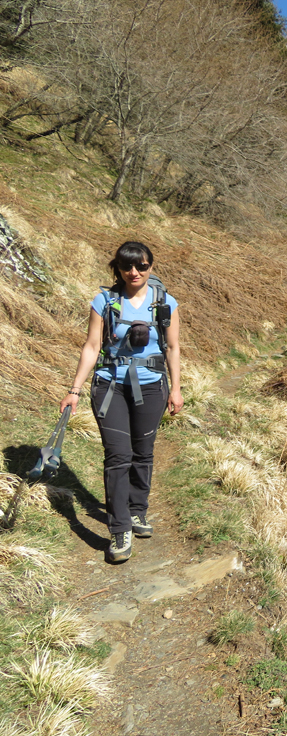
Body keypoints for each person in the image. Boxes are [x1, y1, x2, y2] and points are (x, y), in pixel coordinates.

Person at [60, 241, 183, 562]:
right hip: (110, 386)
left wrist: (177, 389)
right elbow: (91, 346)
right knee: (118, 456)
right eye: (127, 266)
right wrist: (74, 390)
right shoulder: (104, 301)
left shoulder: (164, 303)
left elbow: (172, 348)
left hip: (153, 387)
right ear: (117, 269)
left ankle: (138, 510)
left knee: (143, 452)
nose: (134, 272)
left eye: (142, 266)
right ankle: (120, 529)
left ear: (151, 267)